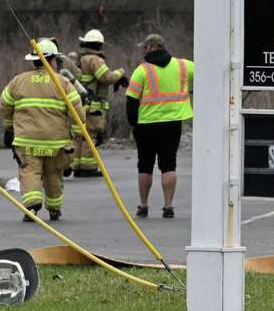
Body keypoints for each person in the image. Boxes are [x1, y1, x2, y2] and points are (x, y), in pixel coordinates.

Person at [0, 38, 84, 222]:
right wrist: (78, 131)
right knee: (54, 174)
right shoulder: (62, 82)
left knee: (30, 171)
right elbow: (77, 109)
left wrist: (9, 125)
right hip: (56, 142)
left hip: (27, 141)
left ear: (34, 60)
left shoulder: (18, 81)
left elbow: (4, 104)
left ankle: (32, 205)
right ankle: (54, 209)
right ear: (52, 60)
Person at [124, 33, 192, 219]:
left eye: (145, 47)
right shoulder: (183, 65)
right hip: (172, 124)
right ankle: (168, 206)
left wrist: (133, 123)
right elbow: (206, 74)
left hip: (146, 125)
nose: (144, 50)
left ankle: (143, 205)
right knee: (169, 164)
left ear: (151, 48)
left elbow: (131, 100)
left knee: (145, 165)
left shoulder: (142, 70)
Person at [72, 29, 128, 176]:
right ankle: (88, 168)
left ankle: (77, 166)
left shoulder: (81, 59)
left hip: (82, 103)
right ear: (99, 45)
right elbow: (107, 77)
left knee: (80, 136)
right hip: (94, 106)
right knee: (90, 136)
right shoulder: (95, 60)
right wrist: (121, 73)